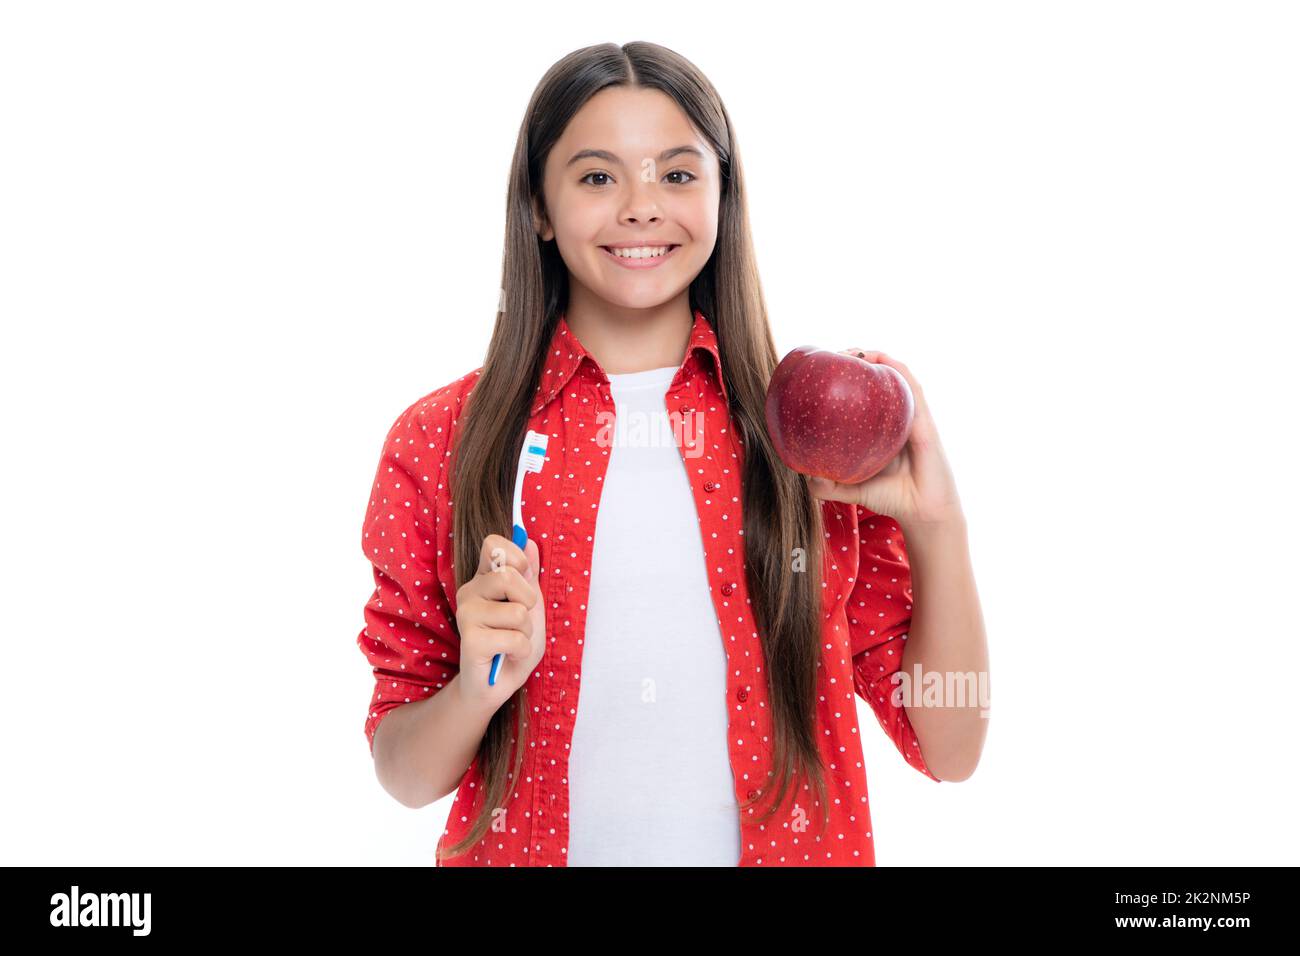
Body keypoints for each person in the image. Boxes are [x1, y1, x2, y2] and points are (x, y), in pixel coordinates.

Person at [356, 40, 989, 866]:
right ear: (539, 209)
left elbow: (949, 747)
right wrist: (481, 683)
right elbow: (404, 775)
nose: (641, 206)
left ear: (725, 196)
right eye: (596, 176)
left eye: (678, 175)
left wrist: (937, 525)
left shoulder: (805, 444)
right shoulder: (444, 438)